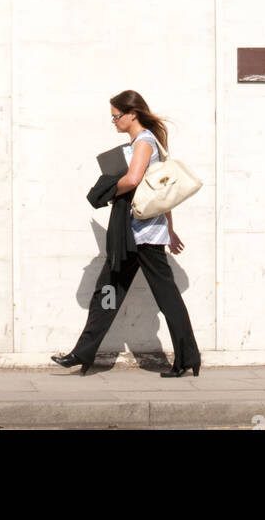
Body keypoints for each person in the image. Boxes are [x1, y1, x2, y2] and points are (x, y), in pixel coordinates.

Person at [52, 89, 201, 378]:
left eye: (116, 116)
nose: (113, 122)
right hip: (131, 235)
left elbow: (134, 180)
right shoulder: (138, 142)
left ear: (132, 114)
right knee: (107, 292)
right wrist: (169, 227)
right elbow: (158, 189)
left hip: (143, 236)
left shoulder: (144, 141)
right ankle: (82, 353)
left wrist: (105, 190)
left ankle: (187, 357)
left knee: (167, 298)